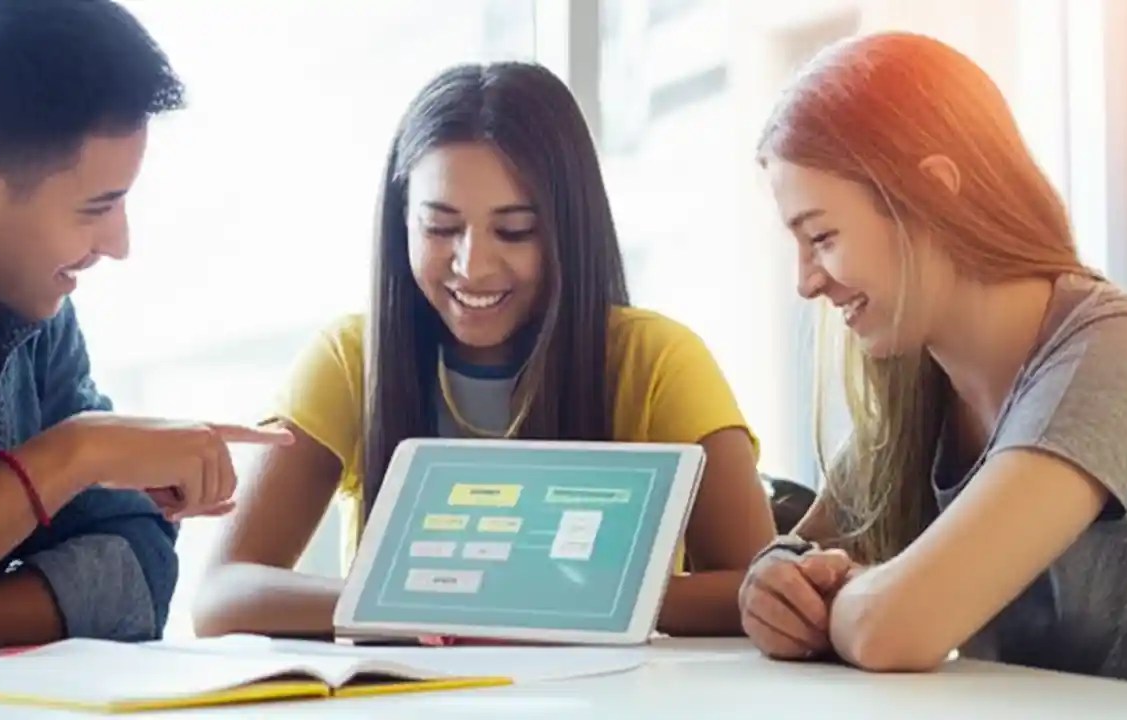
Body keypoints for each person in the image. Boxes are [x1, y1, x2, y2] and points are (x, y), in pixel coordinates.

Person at [192, 61, 777, 639]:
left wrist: (527, 595)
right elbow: (222, 593)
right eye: (441, 228)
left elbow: (761, 590)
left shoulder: (657, 360)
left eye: (515, 230)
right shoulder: (351, 358)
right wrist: (419, 603)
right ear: (402, 224)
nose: (473, 265)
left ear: (569, 228)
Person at [0, 0, 290, 650]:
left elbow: (134, 567)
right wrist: (73, 453)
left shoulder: (34, 312)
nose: (118, 244)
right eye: (96, 208)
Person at [739, 31, 1127, 682]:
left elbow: (894, 629)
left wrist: (849, 600)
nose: (807, 281)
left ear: (933, 192)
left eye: (822, 237)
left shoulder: (1122, 352)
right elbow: (810, 554)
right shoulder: (923, 379)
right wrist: (775, 580)